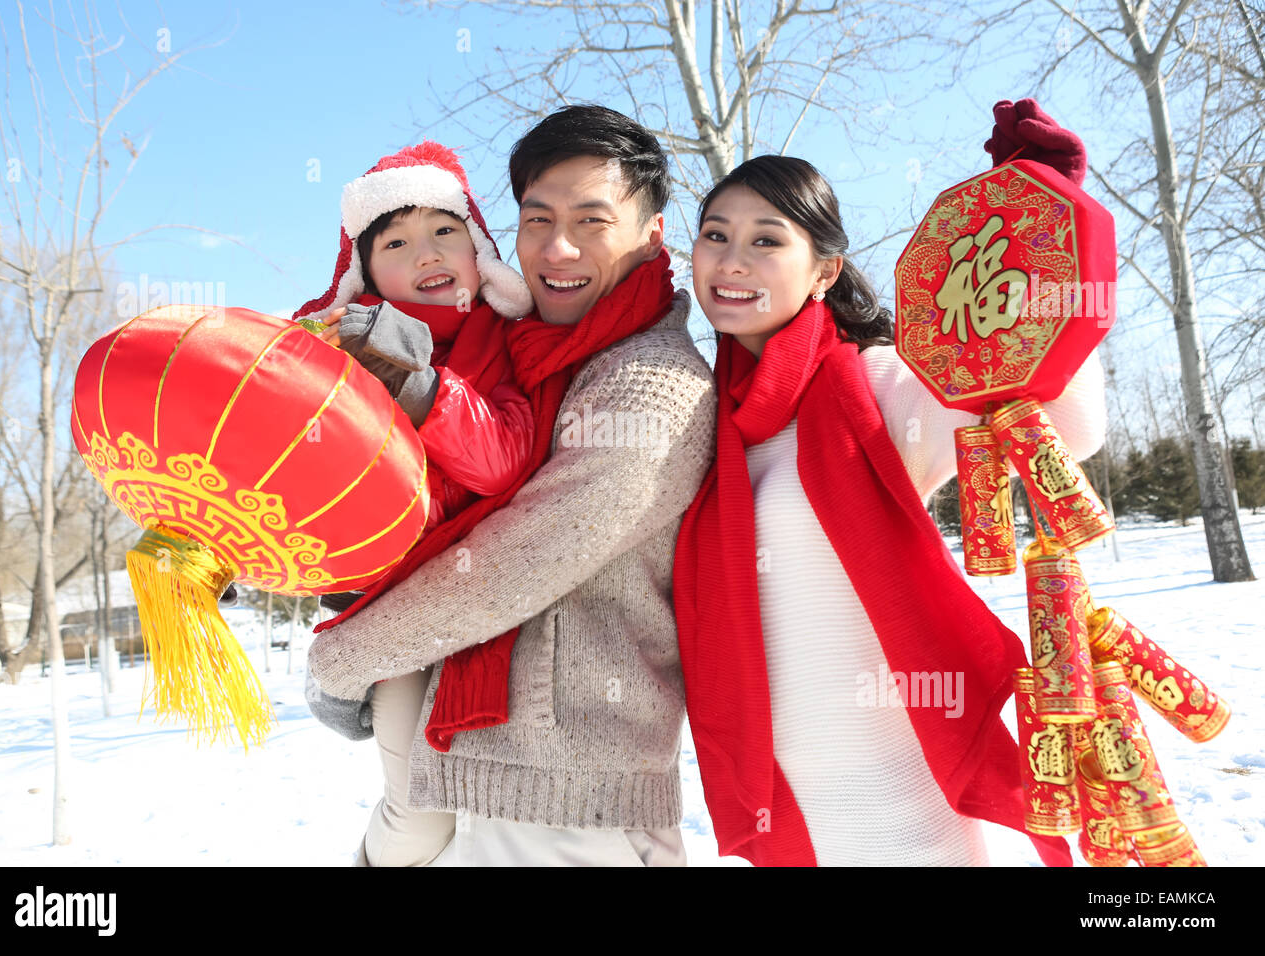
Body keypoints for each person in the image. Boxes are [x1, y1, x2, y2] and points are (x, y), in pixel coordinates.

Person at [305, 105, 717, 866]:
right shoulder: (539, 357)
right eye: (538, 218)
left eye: (592, 220)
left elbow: (510, 564)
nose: (558, 248)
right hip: (491, 789)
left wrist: (345, 657)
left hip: (572, 811)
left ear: (652, 236)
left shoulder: (650, 385)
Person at [674, 151, 1105, 866]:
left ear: (825, 271)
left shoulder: (879, 383)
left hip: (905, 805)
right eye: (715, 235)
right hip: (788, 805)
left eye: (766, 240)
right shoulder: (703, 418)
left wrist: (1043, 226)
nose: (732, 261)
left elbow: (1068, 425)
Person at [294, 141, 538, 866]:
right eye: (395, 241)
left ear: (479, 250)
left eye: (444, 230)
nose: (425, 251)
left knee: (490, 821)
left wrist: (419, 381)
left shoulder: (513, 340)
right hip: (400, 617)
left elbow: (502, 460)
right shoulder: (331, 353)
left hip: (491, 609)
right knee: (419, 815)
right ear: (366, 271)